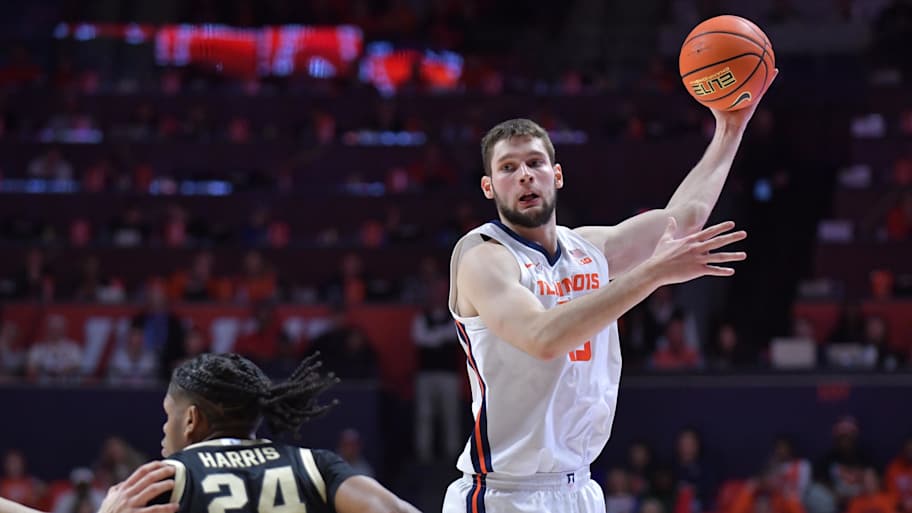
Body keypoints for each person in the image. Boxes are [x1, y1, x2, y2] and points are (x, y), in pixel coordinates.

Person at [443, 79, 777, 513]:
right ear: (489, 187)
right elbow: (543, 338)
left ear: (556, 175)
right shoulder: (482, 257)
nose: (524, 174)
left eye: (535, 162)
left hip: (579, 488)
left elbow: (683, 222)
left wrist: (731, 128)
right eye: (508, 168)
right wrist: (651, 274)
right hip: (504, 493)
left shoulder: (588, 250)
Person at [155, 352, 420, 513]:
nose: (165, 428)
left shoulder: (166, 477)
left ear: (191, 419)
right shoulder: (313, 466)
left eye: (168, 415)